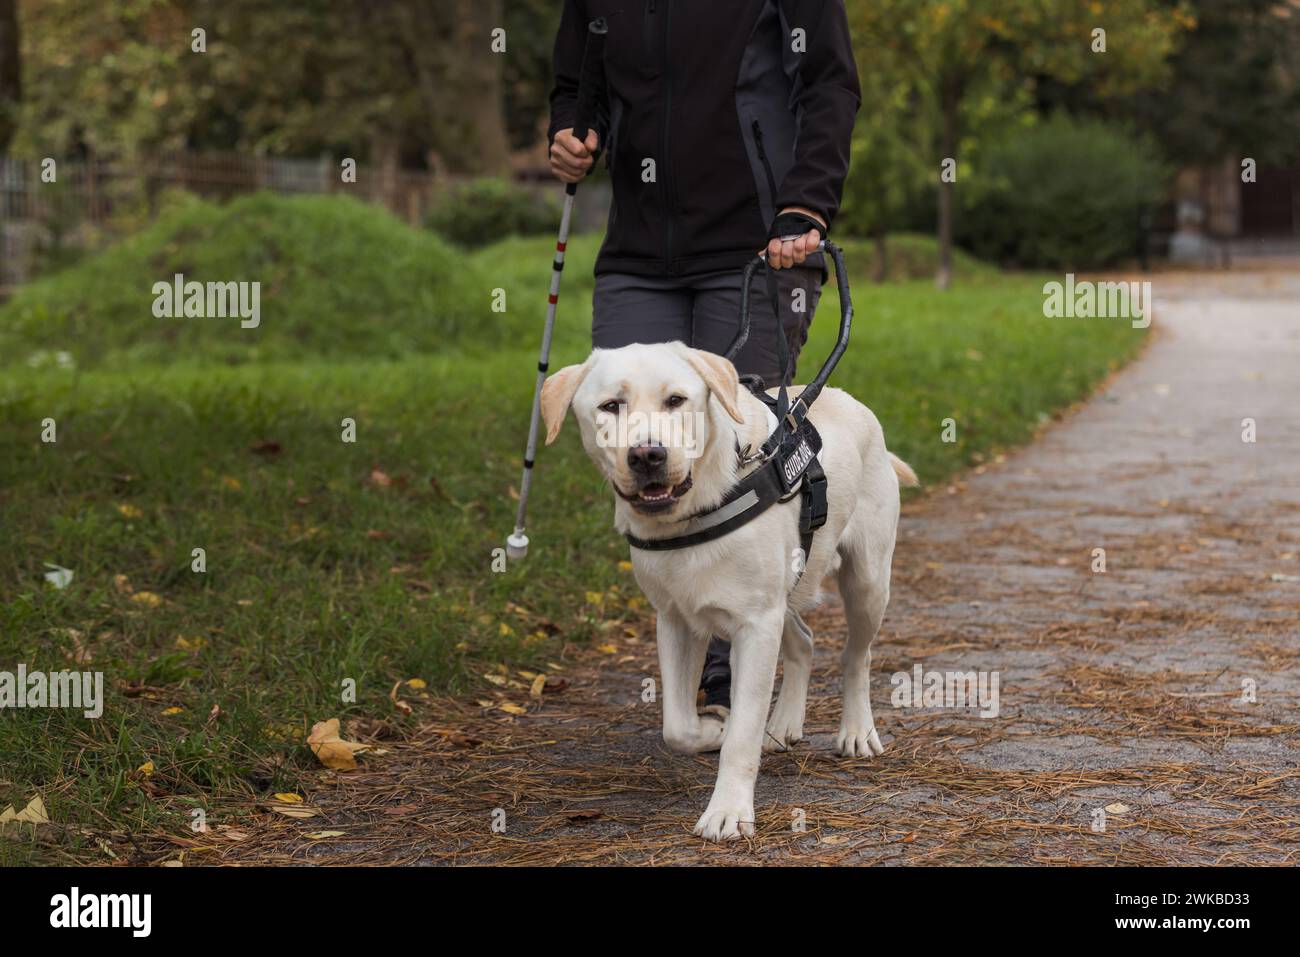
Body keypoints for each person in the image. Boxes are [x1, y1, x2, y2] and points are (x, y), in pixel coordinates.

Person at [548, 0, 861, 710]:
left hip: (758, 240)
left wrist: (807, 202)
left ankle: (728, 669)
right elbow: (577, 83)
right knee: (634, 431)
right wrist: (569, 131)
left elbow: (831, 82)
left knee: (744, 449)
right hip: (637, 249)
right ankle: (693, 640)